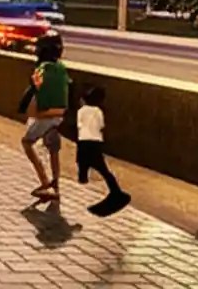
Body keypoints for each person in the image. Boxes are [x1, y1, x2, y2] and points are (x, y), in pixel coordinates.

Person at [22, 33, 69, 200]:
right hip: (59, 114)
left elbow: (36, 91)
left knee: (27, 142)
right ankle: (56, 184)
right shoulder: (61, 68)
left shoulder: (42, 69)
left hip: (45, 114)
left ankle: (44, 181)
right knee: (53, 149)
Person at [77, 85, 132, 216]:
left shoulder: (81, 111)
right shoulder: (98, 111)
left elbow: (79, 125)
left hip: (84, 140)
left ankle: (83, 177)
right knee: (102, 168)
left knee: (81, 160)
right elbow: (101, 125)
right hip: (96, 141)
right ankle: (115, 190)